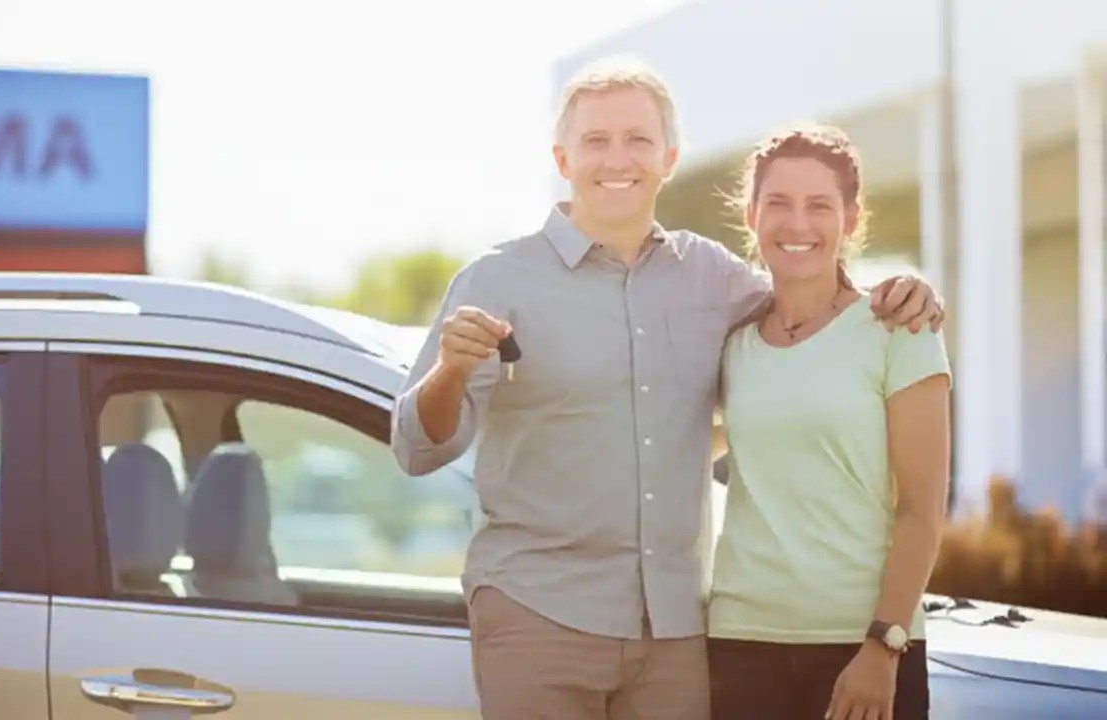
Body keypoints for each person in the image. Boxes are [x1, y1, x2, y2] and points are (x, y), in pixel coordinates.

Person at [391, 56, 944, 720]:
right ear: (563, 159)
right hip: (539, 614)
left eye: (637, 140)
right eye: (595, 140)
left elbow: (812, 293)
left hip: (677, 634)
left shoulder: (711, 278)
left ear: (669, 157)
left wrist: (904, 290)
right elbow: (416, 449)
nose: (616, 158)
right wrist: (450, 371)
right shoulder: (497, 280)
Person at [705, 125, 952, 720]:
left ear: (851, 217)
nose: (798, 224)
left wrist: (883, 644)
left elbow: (922, 506)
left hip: (861, 646)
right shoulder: (731, 343)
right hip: (739, 643)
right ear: (752, 214)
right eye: (779, 204)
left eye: (819, 205)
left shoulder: (900, 330)